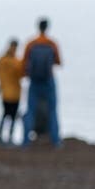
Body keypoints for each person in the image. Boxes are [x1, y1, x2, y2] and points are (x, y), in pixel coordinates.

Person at [22, 17, 62, 147]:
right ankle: (55, 141)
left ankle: (26, 141)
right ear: (47, 27)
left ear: (38, 27)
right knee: (53, 111)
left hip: (34, 81)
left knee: (30, 111)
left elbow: (25, 63)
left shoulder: (31, 44)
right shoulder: (52, 43)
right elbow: (58, 62)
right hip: (48, 80)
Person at [0, 38, 24, 144]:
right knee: (9, 115)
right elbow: (22, 73)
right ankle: (6, 137)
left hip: (9, 93)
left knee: (7, 115)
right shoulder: (14, 61)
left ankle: (3, 136)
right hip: (12, 93)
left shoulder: (2, 60)